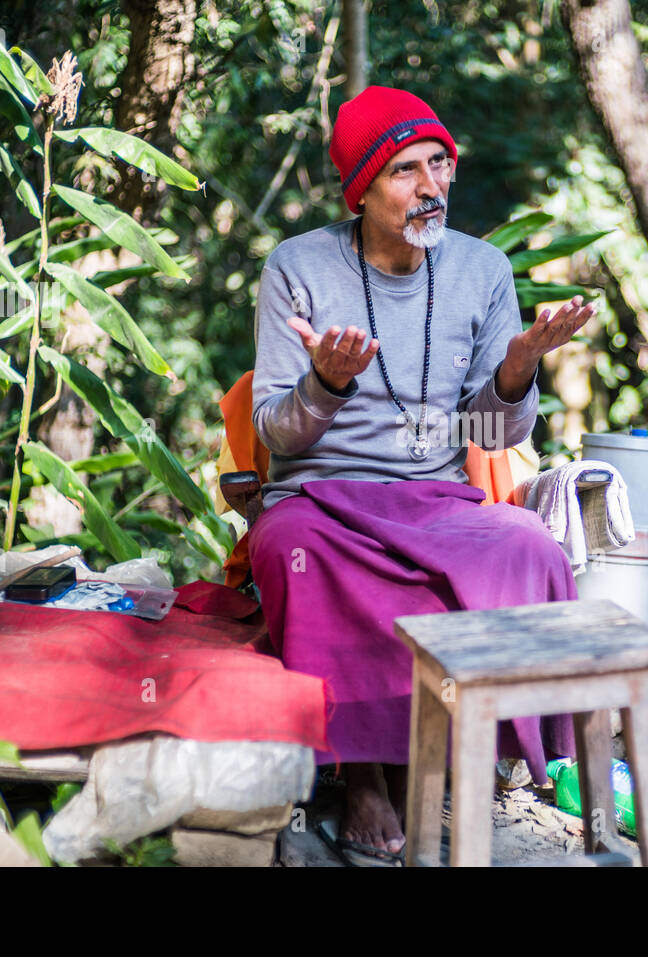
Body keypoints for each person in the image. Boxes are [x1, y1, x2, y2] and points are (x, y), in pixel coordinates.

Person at [247, 86, 597, 860]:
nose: (432, 186)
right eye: (406, 170)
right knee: (295, 552)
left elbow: (493, 434)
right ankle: (364, 769)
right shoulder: (297, 267)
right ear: (362, 189)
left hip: (437, 496)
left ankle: (441, 751)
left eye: (440, 163)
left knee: (527, 545)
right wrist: (325, 384)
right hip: (318, 496)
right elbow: (273, 428)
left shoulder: (484, 269)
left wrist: (516, 369)